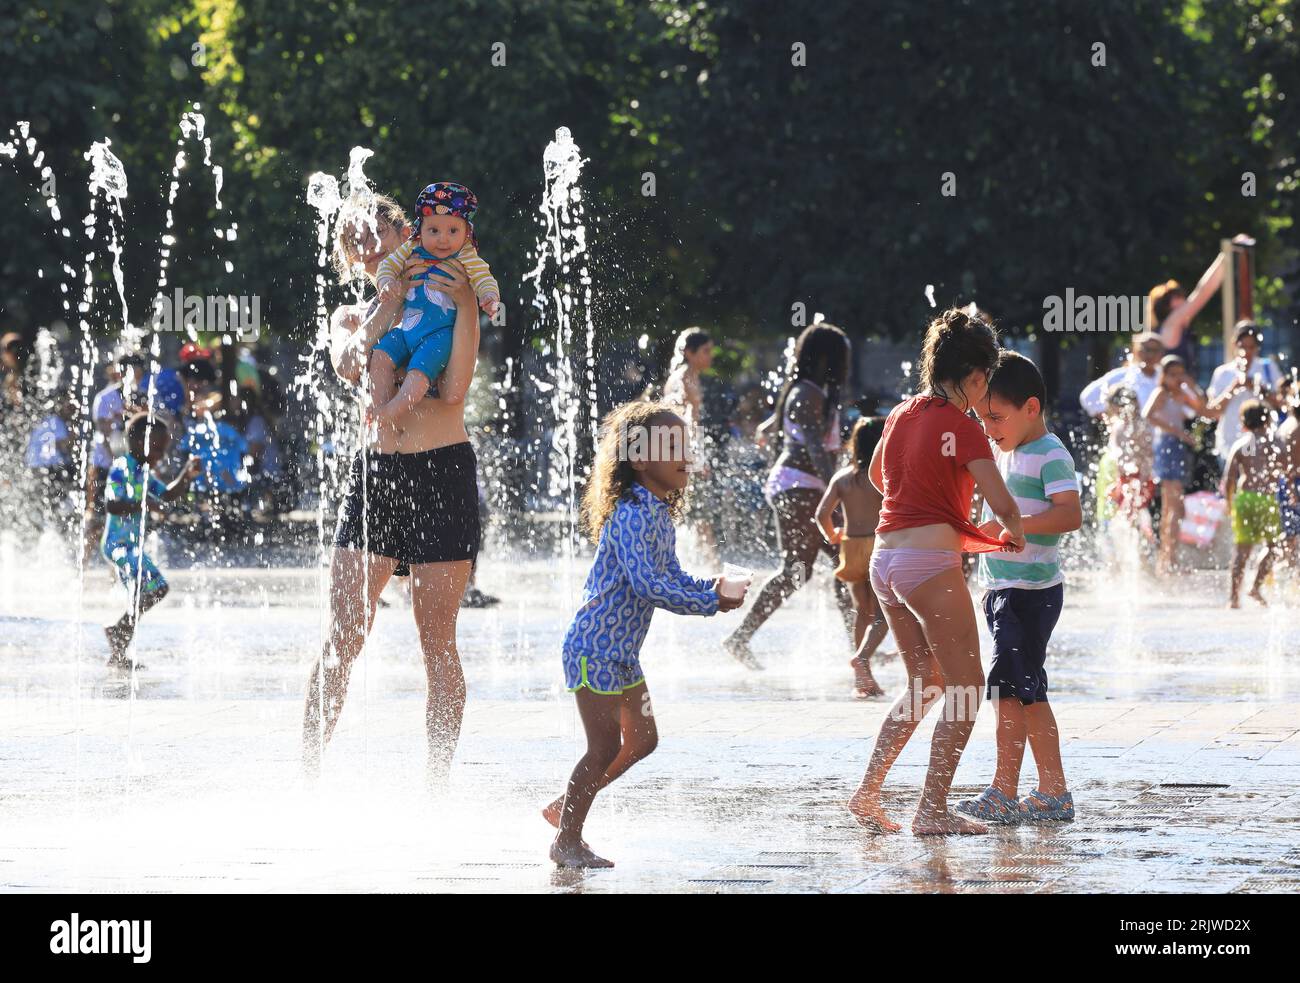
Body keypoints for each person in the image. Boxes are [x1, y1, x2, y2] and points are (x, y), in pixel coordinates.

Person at [302, 191, 484, 789]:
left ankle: (436, 789)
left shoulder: (451, 303)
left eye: (376, 232)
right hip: (377, 480)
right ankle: (307, 778)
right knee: (344, 636)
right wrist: (387, 303)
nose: (366, 244)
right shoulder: (349, 317)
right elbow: (353, 365)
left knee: (437, 640)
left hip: (441, 473)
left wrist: (455, 304)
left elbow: (453, 391)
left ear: (405, 232)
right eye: (352, 238)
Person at [847, 308, 1024, 837]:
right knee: (967, 687)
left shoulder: (902, 412)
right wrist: (1012, 531)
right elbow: (1003, 503)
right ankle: (931, 808)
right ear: (974, 376)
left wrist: (921, 495)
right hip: (927, 565)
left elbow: (878, 475)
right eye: (985, 382)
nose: (984, 393)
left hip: (885, 561)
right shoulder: (965, 428)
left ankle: (868, 793)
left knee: (925, 683)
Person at [546, 401, 745, 868]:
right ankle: (566, 839)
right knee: (604, 747)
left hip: (620, 655)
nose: (686, 456)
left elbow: (670, 574)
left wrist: (711, 587)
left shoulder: (655, 512)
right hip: (594, 648)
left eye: (687, 446)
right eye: (672, 447)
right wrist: (711, 603)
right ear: (639, 459)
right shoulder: (632, 514)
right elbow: (649, 586)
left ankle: (567, 804)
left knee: (643, 740)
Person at [957, 351, 1081, 824]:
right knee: (1021, 692)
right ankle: (1043, 792)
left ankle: (1015, 791)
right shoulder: (1005, 453)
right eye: (982, 418)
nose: (987, 427)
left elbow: (1070, 514)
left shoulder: (1050, 453)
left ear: (1031, 408)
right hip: (1004, 591)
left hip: (1031, 596)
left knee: (1014, 691)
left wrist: (1017, 526)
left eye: (995, 417)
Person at [722, 323, 855, 670]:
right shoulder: (807, 394)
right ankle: (740, 637)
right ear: (826, 358)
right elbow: (815, 451)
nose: (846, 365)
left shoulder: (807, 392)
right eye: (842, 358)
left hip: (803, 487)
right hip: (799, 488)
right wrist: (840, 493)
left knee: (840, 564)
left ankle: (860, 649)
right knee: (805, 567)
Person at [367, 182, 499, 426]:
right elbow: (388, 266)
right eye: (434, 231)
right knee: (380, 356)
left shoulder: (466, 256)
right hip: (407, 329)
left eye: (453, 231)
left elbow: (484, 277)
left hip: (439, 336)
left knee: (418, 374)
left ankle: (392, 411)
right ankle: (376, 408)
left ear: (466, 233)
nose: (443, 240)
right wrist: (386, 283)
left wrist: (489, 298)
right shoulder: (412, 248)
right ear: (420, 230)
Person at [101, 413, 202, 671]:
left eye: (163, 449)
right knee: (156, 589)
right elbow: (112, 504)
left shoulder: (143, 472)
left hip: (131, 547)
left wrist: (186, 475)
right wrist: (143, 502)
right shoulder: (122, 468)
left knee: (143, 594)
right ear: (136, 442)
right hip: (118, 545)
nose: (160, 455)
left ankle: (119, 648)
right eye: (157, 448)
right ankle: (118, 633)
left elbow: (167, 494)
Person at [815, 415, 888, 699]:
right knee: (883, 613)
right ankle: (863, 658)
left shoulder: (843, 478)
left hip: (850, 547)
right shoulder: (882, 476)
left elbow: (821, 513)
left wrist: (832, 535)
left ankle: (863, 680)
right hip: (878, 545)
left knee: (862, 611)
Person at [1142, 355, 1208, 575]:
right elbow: (1148, 414)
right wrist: (1178, 431)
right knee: (1173, 505)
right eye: (1172, 374)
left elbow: (1201, 406)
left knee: (1175, 507)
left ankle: (1168, 557)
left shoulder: (1180, 393)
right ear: (1164, 375)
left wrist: (1192, 386)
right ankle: (1168, 560)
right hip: (1168, 446)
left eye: (1180, 373)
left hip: (1176, 447)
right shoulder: (1161, 393)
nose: (1177, 378)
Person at [663, 327, 719, 561]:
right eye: (706, 351)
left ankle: (703, 563)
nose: (710, 356)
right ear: (689, 352)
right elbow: (680, 423)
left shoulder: (689, 376)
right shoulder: (683, 379)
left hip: (684, 454)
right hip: (683, 455)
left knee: (696, 513)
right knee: (699, 513)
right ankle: (711, 566)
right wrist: (697, 458)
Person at [1221, 400, 1283, 608]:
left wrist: (1229, 502)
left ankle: (1233, 598)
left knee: (1241, 551)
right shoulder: (1275, 443)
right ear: (1267, 421)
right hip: (1267, 500)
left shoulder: (1241, 445)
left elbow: (1229, 478)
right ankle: (1256, 586)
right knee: (1274, 547)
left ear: (1243, 422)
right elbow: (1286, 468)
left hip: (1246, 499)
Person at [1206, 320, 1283, 464]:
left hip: (1262, 442)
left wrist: (1258, 388)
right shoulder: (1223, 372)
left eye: (1251, 347)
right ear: (1234, 345)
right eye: (1242, 347)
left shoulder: (1267, 368)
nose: (1246, 352)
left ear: (1257, 348)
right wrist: (1233, 388)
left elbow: (1281, 402)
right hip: (1229, 443)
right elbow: (1212, 411)